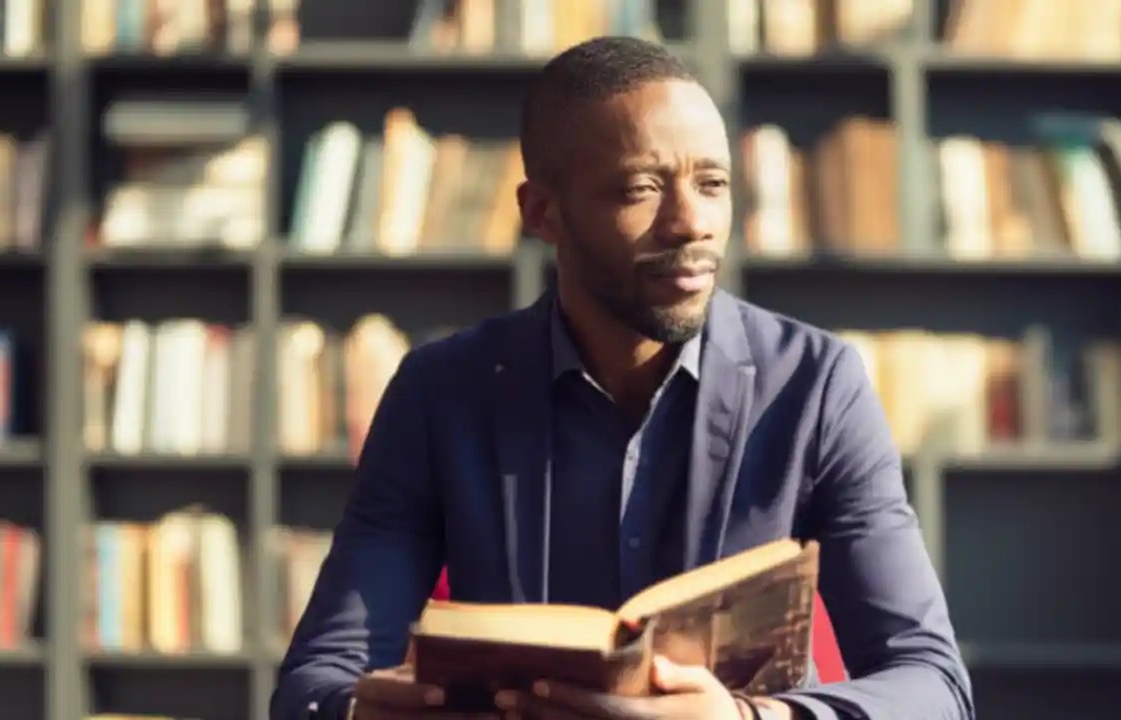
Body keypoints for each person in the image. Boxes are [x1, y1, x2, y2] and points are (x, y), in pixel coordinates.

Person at [271, 36, 975, 720]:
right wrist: (365, 711)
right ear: (542, 212)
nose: (692, 222)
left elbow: (933, 686)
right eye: (642, 188)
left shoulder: (816, 386)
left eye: (713, 184)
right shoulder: (440, 392)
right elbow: (315, 678)